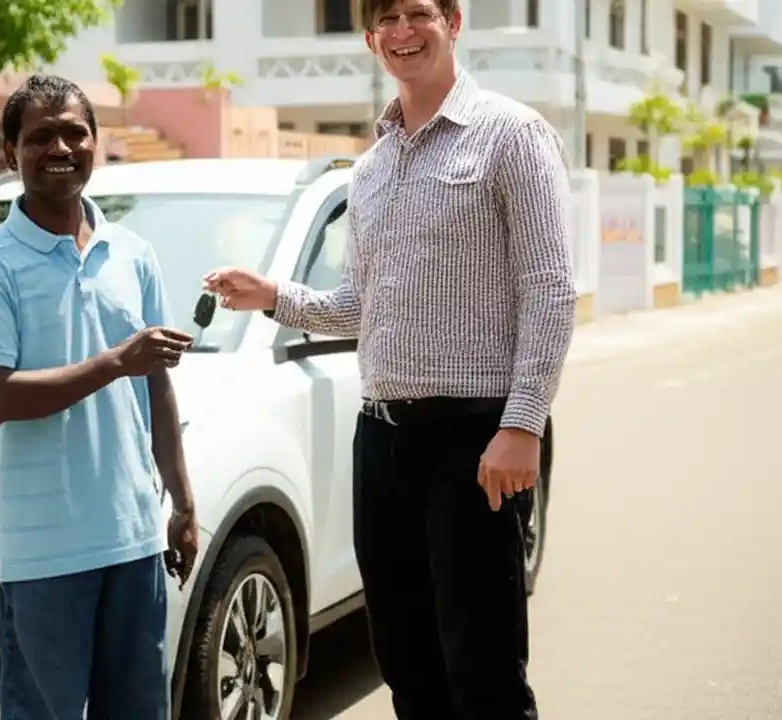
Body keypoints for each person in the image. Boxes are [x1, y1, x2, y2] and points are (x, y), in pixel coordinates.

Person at [203, 0, 576, 717]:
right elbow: (360, 306)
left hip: (473, 443)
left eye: (418, 14)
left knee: (486, 673)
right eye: (386, 20)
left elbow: (551, 290)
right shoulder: (370, 168)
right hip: (381, 444)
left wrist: (523, 423)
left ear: (454, 21)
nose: (402, 33)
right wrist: (273, 296)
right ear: (370, 37)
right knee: (407, 664)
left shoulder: (511, 135)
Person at [0, 74, 199, 720]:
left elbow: (157, 385)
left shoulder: (133, 253)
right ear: (11, 154)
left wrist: (182, 501)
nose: (60, 148)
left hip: (133, 539)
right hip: (43, 552)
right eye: (40, 137)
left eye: (74, 133)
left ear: (95, 143)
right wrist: (117, 361)